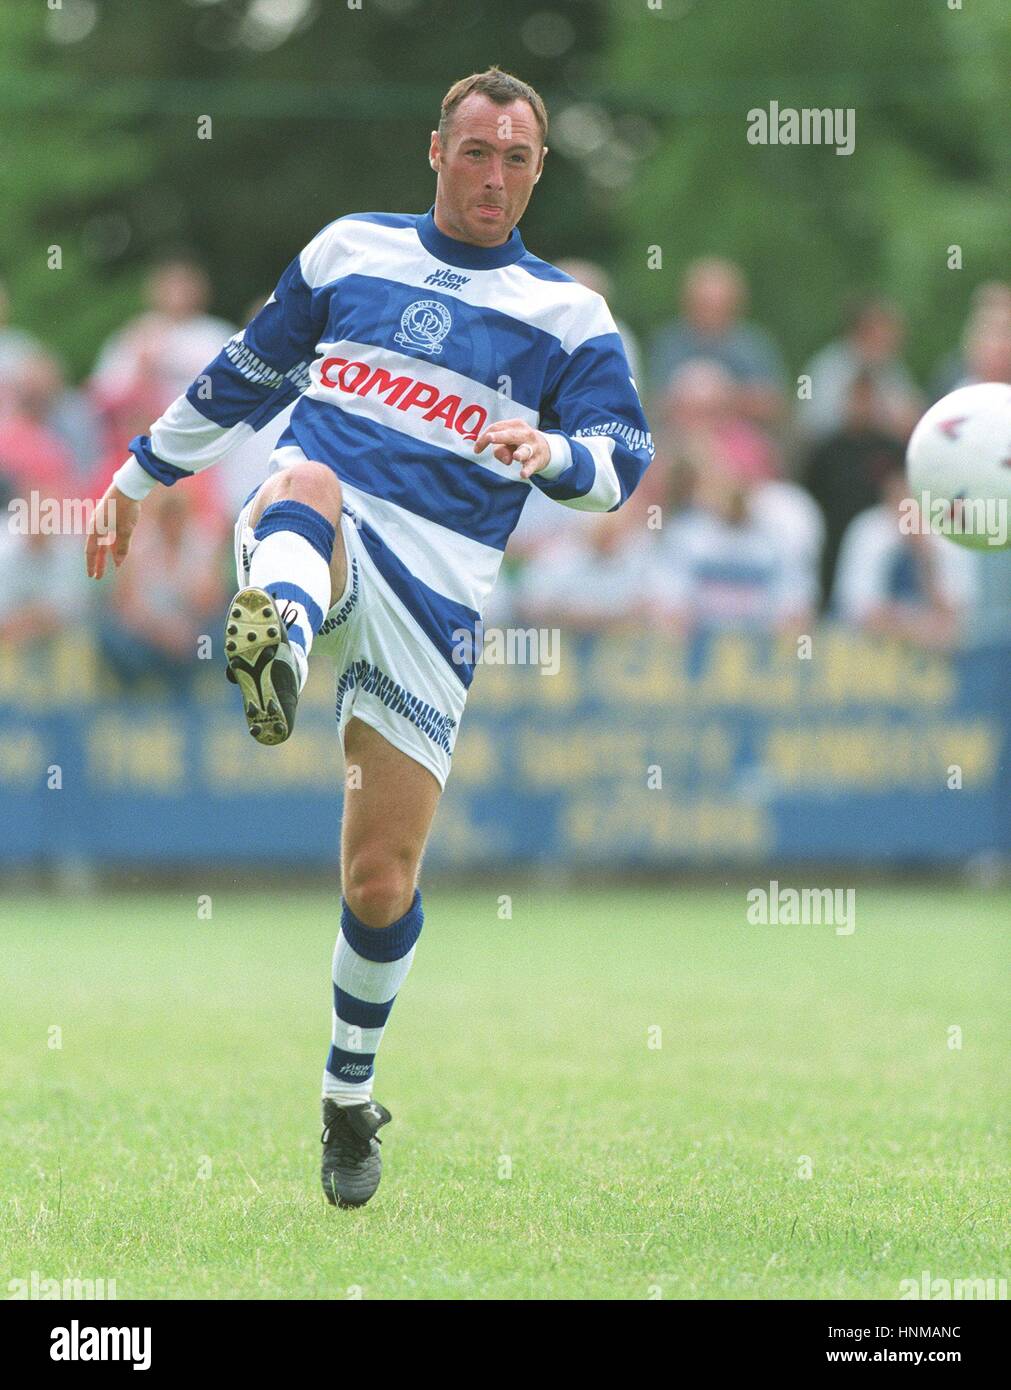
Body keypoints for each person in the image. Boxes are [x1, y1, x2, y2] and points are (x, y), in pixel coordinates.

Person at [84, 67, 653, 1209]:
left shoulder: (568, 315)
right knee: (303, 478)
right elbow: (246, 372)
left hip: (435, 595)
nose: (495, 175)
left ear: (540, 170)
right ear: (433, 151)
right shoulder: (350, 250)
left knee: (381, 875)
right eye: (476, 151)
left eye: (518, 158)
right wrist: (139, 475)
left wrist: (554, 457)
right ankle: (280, 639)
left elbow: (623, 457)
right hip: (320, 518)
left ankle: (349, 1093)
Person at [648, 257, 787, 426]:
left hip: (739, 439)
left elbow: (773, 405)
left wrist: (724, 399)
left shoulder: (753, 346)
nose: (710, 313)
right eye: (703, 304)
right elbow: (653, 402)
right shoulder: (668, 343)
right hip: (678, 438)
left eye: (718, 304)